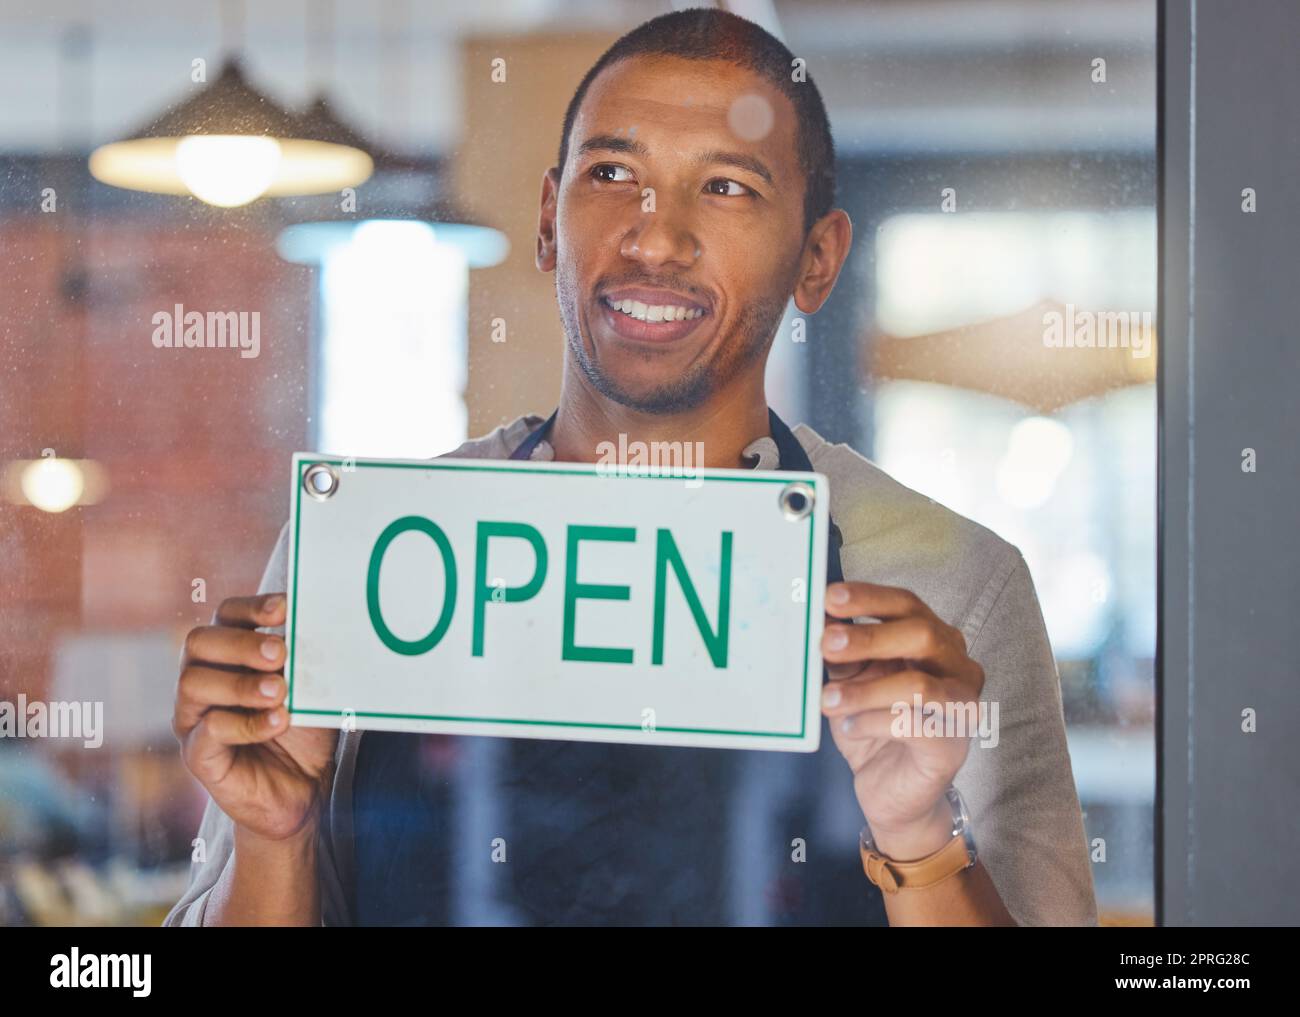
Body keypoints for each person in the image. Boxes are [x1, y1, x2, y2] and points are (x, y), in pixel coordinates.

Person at [166, 8, 1096, 926]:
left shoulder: (954, 592)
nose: (656, 238)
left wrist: (919, 837)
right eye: (612, 173)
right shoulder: (360, 560)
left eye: (728, 187)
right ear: (547, 218)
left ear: (818, 258)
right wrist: (274, 834)